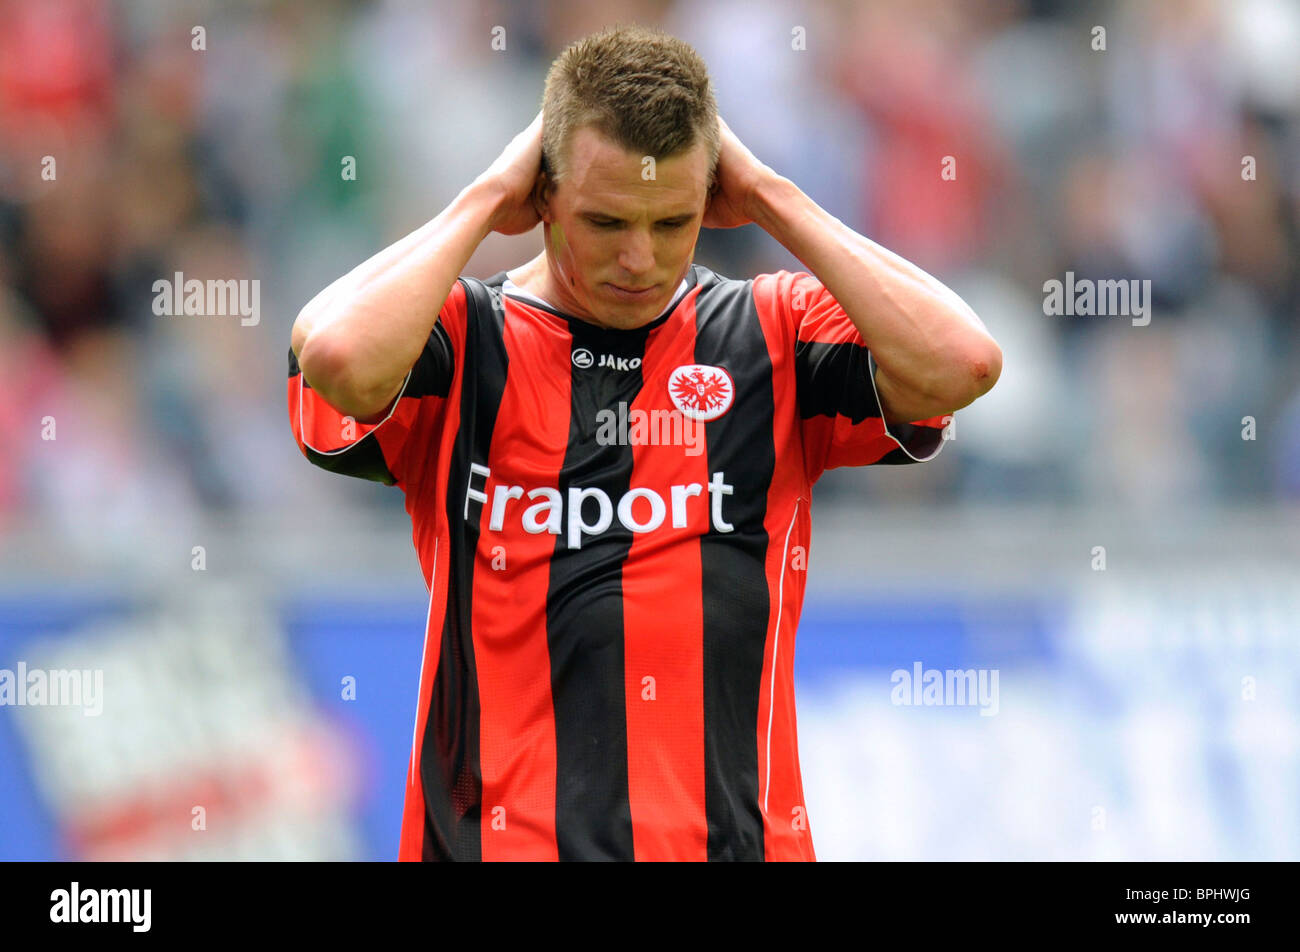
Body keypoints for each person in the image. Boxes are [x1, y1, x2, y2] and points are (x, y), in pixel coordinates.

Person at [287, 24, 1001, 861]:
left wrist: (774, 194)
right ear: (543, 193)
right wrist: (481, 200)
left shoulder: (769, 334)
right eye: (606, 220)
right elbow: (336, 358)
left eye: (673, 222)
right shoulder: (462, 339)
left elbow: (965, 363)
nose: (640, 258)